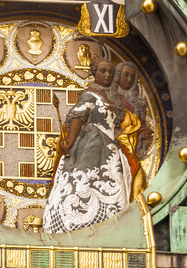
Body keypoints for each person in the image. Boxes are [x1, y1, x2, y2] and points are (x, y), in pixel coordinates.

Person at [43, 59, 133, 234]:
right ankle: (77, 220)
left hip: (112, 146)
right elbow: (79, 117)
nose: (107, 75)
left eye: (110, 72)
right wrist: (70, 140)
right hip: (94, 143)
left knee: (114, 181)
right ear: (94, 73)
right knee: (84, 181)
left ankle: (108, 224)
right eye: (103, 71)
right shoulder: (90, 94)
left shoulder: (113, 97)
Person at [112, 61, 154, 202]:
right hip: (113, 151)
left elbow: (141, 129)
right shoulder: (109, 99)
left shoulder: (138, 104)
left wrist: (144, 135)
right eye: (125, 75)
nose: (129, 79)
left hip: (131, 151)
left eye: (132, 76)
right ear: (117, 76)